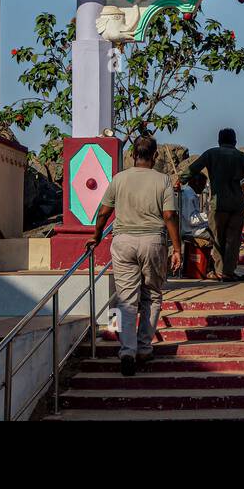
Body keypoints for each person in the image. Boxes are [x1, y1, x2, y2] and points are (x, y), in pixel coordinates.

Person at [91, 136, 181, 376]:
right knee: (152, 295)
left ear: (133, 155)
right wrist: (177, 248)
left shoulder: (119, 179)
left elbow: (103, 212)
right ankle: (143, 347)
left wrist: (97, 235)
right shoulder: (162, 180)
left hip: (123, 242)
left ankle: (127, 350)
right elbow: (170, 215)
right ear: (155, 156)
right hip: (153, 241)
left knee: (125, 300)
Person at [183, 128, 244, 282]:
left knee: (218, 237)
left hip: (218, 204)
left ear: (219, 141)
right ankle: (229, 271)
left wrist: (181, 179)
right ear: (235, 142)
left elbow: (193, 169)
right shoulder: (241, 156)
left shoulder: (211, 154)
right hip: (237, 202)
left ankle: (219, 271)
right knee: (233, 239)